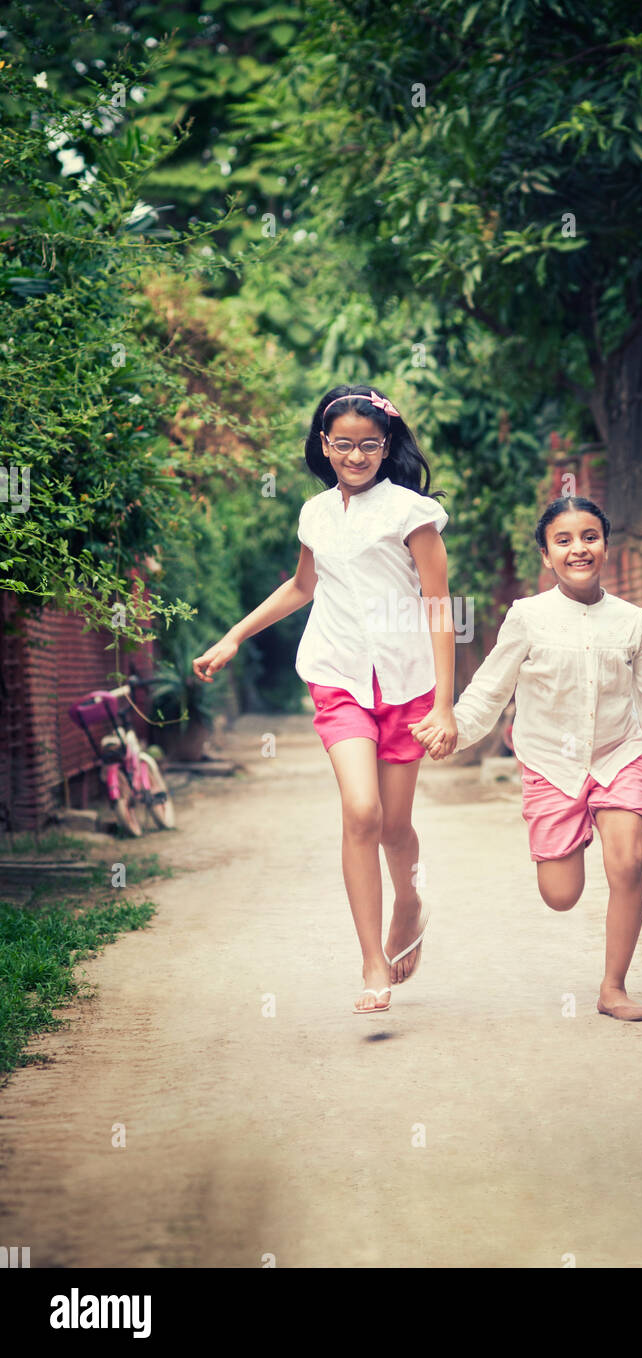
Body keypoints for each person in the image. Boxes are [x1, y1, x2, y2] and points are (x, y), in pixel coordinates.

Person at [192, 385, 458, 1014]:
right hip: (336, 674)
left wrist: (445, 702)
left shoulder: (411, 512)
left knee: (394, 826)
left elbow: (440, 605)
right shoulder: (314, 514)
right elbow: (302, 586)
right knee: (360, 812)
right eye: (344, 444)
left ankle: (411, 901)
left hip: (406, 683)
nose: (357, 455)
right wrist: (233, 635)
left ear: (385, 445)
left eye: (369, 444)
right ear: (324, 445)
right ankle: (372, 963)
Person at [411, 495, 642, 1022]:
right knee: (560, 895)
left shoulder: (635, 623)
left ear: (606, 545)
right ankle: (576, 831)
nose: (578, 548)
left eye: (590, 537)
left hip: (617, 754)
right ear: (546, 555)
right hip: (551, 764)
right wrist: (453, 730)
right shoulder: (527, 618)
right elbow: (491, 689)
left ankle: (613, 988)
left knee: (628, 861)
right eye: (563, 540)